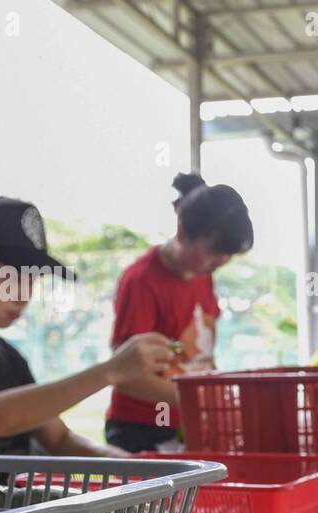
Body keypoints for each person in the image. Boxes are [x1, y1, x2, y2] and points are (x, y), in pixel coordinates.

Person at [0, 198, 174, 457]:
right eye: (13, 276)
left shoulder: (10, 358)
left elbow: (60, 440)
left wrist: (134, 465)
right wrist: (110, 372)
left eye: (33, 278)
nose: (23, 294)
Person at [106, 184, 253, 452]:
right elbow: (124, 375)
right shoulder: (142, 280)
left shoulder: (204, 276)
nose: (220, 262)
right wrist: (200, 399)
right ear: (183, 231)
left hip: (190, 422)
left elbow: (202, 354)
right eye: (214, 252)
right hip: (141, 428)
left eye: (228, 256)